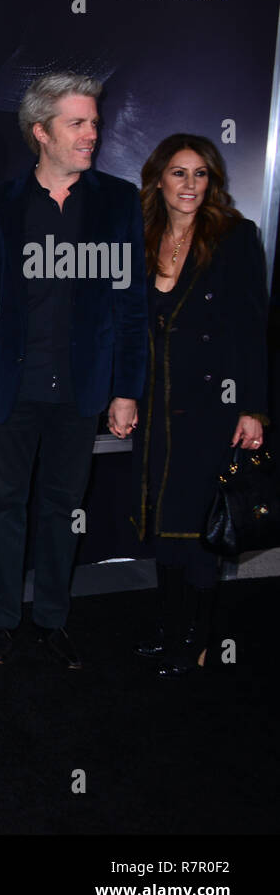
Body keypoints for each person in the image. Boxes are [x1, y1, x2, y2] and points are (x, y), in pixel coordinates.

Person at [0, 72, 148, 670]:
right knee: (2, 507)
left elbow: (131, 306)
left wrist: (126, 390)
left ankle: (52, 619)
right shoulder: (0, 203)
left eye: (95, 123)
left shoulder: (119, 201)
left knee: (62, 508)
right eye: (78, 123)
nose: (92, 134)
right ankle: (1, 620)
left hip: (80, 390)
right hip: (11, 387)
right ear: (41, 131)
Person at [130, 134, 268, 676]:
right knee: (164, 521)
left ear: (213, 182)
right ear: (158, 178)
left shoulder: (235, 236)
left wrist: (253, 407)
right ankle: (167, 625)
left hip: (213, 404)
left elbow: (251, 328)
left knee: (201, 525)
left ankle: (198, 637)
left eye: (201, 174)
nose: (190, 185)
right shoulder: (142, 234)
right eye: (179, 173)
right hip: (156, 401)